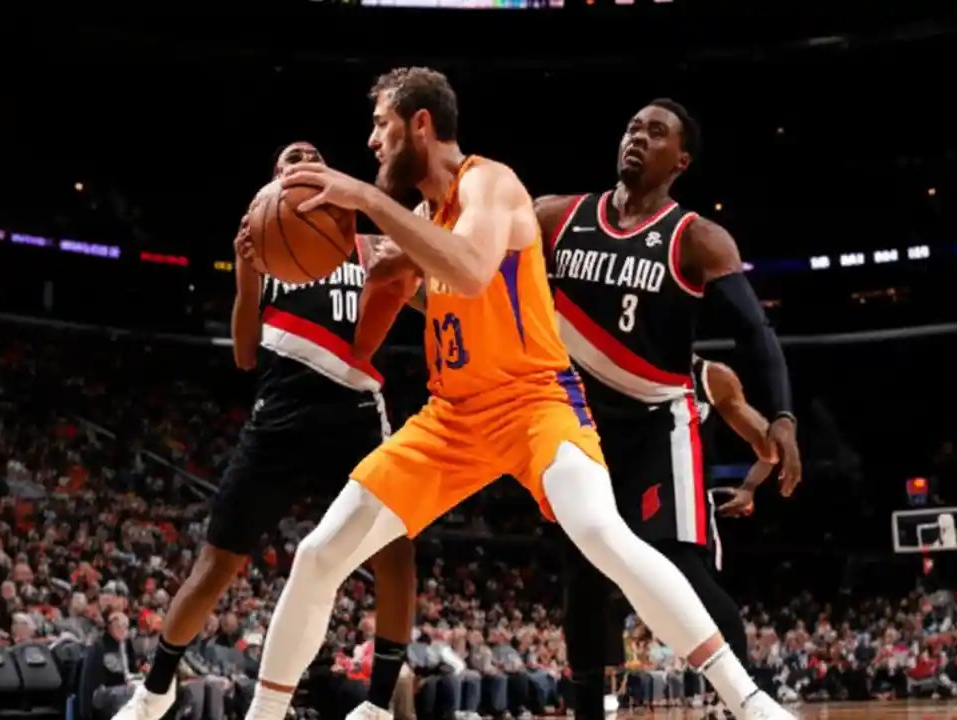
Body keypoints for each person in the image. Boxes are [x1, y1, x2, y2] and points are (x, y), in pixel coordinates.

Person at [238, 67, 795, 720]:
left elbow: (471, 269)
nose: (370, 142)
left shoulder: (492, 184)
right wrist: (341, 257)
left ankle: (753, 703)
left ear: (421, 125)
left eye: (381, 126)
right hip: (451, 418)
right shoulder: (422, 217)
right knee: (317, 554)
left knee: (603, 534)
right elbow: (365, 342)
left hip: (535, 403)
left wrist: (364, 200)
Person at [114, 142, 418, 720]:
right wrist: (247, 277)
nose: (301, 157)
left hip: (355, 412)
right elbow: (246, 356)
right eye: (288, 157)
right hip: (280, 416)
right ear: (273, 183)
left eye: (312, 154)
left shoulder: (366, 241)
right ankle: (154, 690)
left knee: (396, 551)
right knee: (216, 564)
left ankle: (379, 704)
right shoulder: (266, 245)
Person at [532, 99, 802, 720]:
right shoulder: (558, 216)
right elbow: (483, 260)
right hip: (578, 424)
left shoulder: (698, 239)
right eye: (632, 126)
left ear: (680, 160)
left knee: (683, 571)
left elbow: (756, 335)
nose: (638, 137)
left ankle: (744, 706)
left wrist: (782, 417)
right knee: (584, 581)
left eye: (656, 132)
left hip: (657, 423)